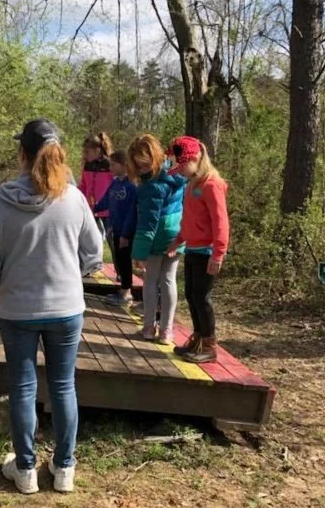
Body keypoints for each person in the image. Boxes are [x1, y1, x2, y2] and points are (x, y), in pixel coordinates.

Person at [0, 119, 103, 495]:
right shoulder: (74, 199)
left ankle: (25, 470)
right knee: (64, 387)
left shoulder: (1, 199)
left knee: (23, 387)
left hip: (17, 308)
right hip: (66, 309)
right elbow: (94, 254)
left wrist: (3, 281)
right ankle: (64, 469)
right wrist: (68, 275)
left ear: (23, 154)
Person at [167, 136, 229, 364]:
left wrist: (218, 253)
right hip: (192, 248)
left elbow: (220, 221)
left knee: (202, 297)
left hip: (207, 251)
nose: (180, 170)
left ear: (195, 158)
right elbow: (189, 218)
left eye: (182, 165)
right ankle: (198, 337)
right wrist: (178, 239)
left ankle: (209, 345)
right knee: (191, 294)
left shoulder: (211, 185)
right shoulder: (192, 183)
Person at [127, 134, 186, 343]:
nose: (141, 169)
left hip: (158, 235)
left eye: (143, 164)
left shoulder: (151, 185)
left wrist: (139, 253)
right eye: (137, 165)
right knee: (169, 280)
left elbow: (147, 222)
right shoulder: (176, 172)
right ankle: (167, 331)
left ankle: (149, 328)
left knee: (151, 280)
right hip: (177, 231)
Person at [93, 149, 137, 306]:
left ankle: (127, 293)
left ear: (124, 165)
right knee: (120, 260)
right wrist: (92, 209)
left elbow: (132, 212)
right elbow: (105, 201)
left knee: (126, 261)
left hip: (127, 231)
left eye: (113, 164)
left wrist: (126, 234)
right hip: (116, 228)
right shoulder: (115, 183)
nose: (110, 168)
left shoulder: (132, 186)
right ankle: (124, 289)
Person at [78, 132, 115, 259]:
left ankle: (120, 270)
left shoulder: (110, 165)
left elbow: (117, 184)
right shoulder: (86, 166)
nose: (85, 154)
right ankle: (90, 265)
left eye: (87, 151)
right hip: (90, 208)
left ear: (97, 150)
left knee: (112, 240)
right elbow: (83, 185)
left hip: (107, 210)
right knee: (88, 239)